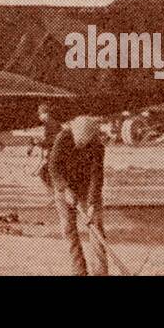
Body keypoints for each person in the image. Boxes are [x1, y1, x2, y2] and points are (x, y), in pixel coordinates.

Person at [48, 115, 107, 275]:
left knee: (96, 229)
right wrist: (65, 189)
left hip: (86, 189)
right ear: (73, 132)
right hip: (64, 188)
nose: (80, 144)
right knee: (69, 230)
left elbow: (97, 176)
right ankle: (79, 271)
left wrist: (92, 203)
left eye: (84, 142)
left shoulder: (97, 146)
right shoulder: (63, 138)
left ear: (92, 137)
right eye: (78, 141)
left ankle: (101, 273)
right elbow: (53, 167)